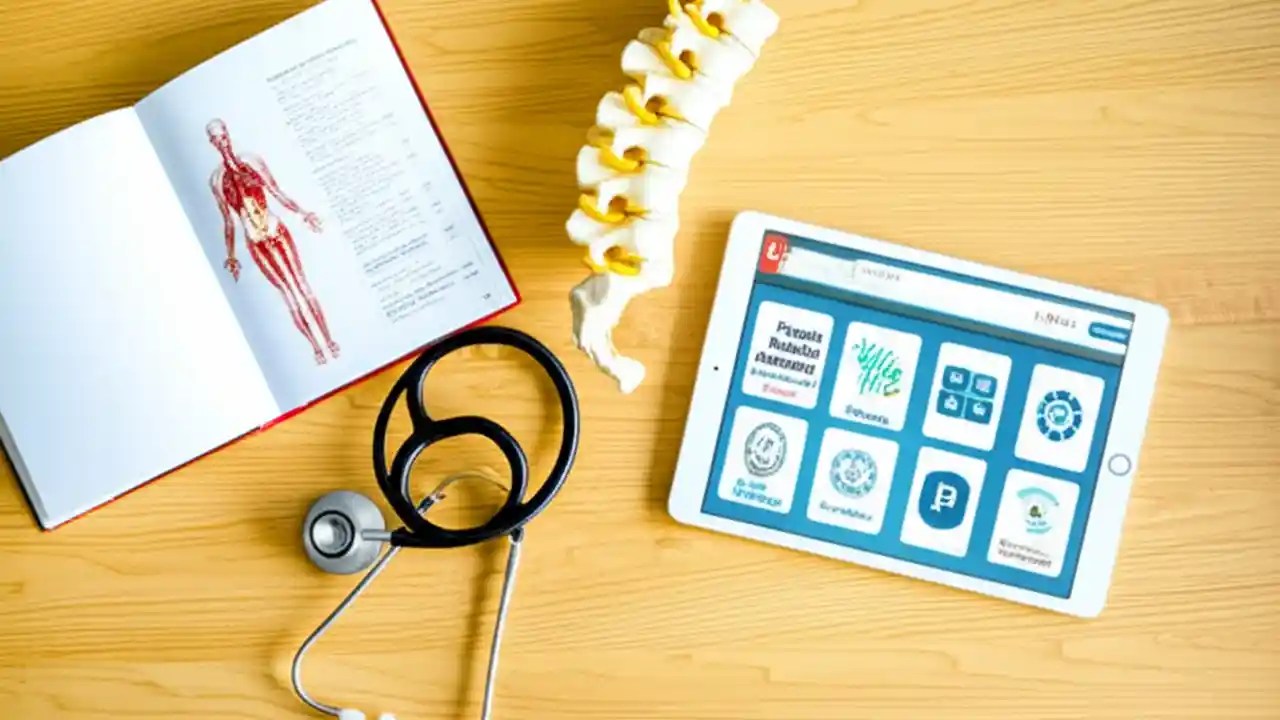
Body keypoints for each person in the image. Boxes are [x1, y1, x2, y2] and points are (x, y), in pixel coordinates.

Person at [208, 119, 340, 365]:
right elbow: (228, 221)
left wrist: (303, 213)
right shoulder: (217, 180)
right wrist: (231, 255)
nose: (221, 142)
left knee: (301, 284)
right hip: (255, 241)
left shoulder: (251, 161)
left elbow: (276, 191)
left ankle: (329, 340)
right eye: (216, 139)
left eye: (223, 136)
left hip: (275, 230)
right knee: (288, 293)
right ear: (212, 143)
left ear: (228, 134)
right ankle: (316, 347)